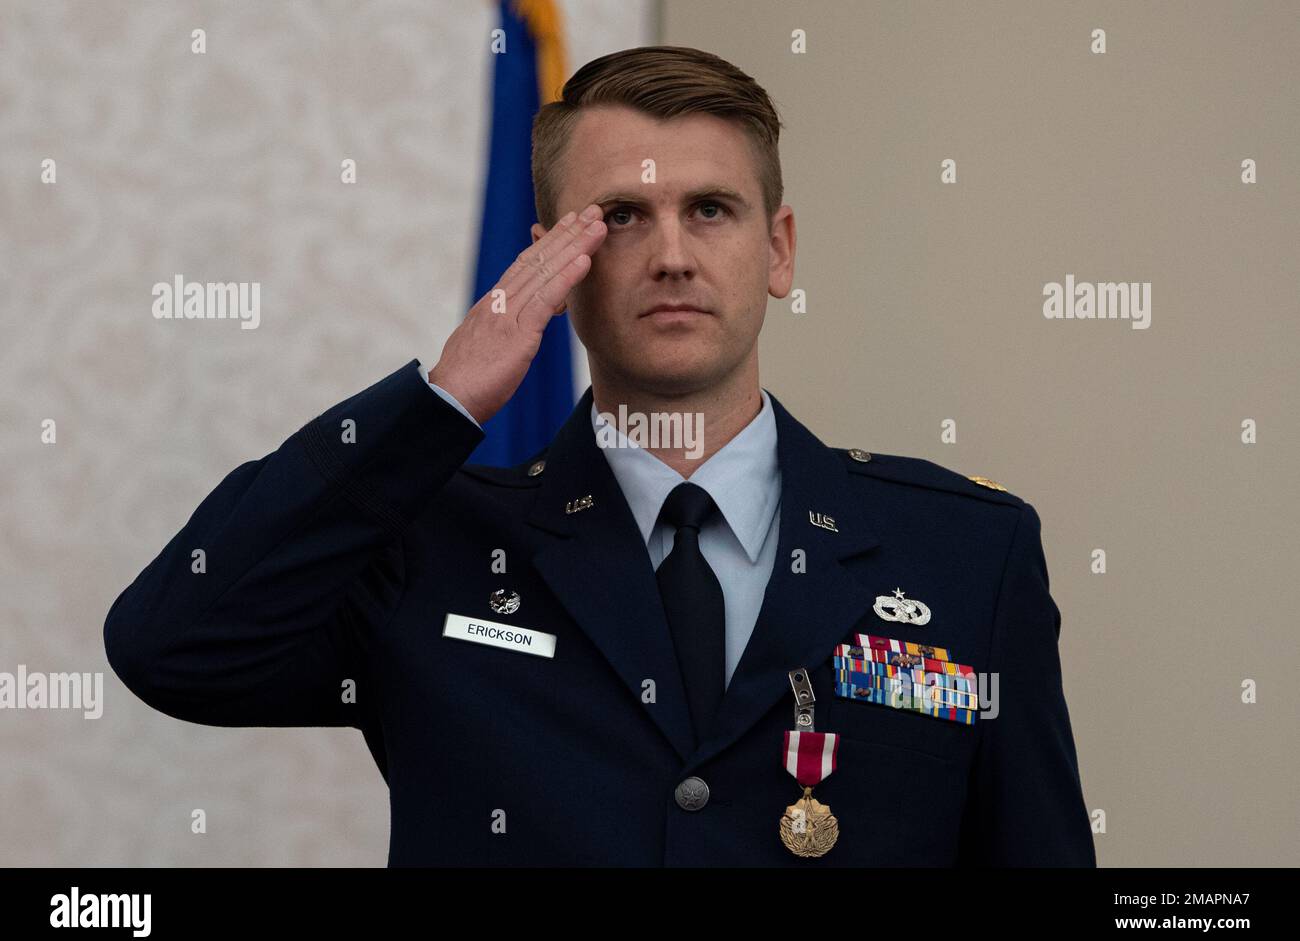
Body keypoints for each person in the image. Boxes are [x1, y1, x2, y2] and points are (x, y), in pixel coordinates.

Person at [103, 45, 1095, 866]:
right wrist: (438, 401)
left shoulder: (964, 553)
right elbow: (173, 647)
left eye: (710, 209)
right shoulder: (431, 548)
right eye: (619, 217)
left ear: (778, 248)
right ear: (552, 265)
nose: (670, 254)